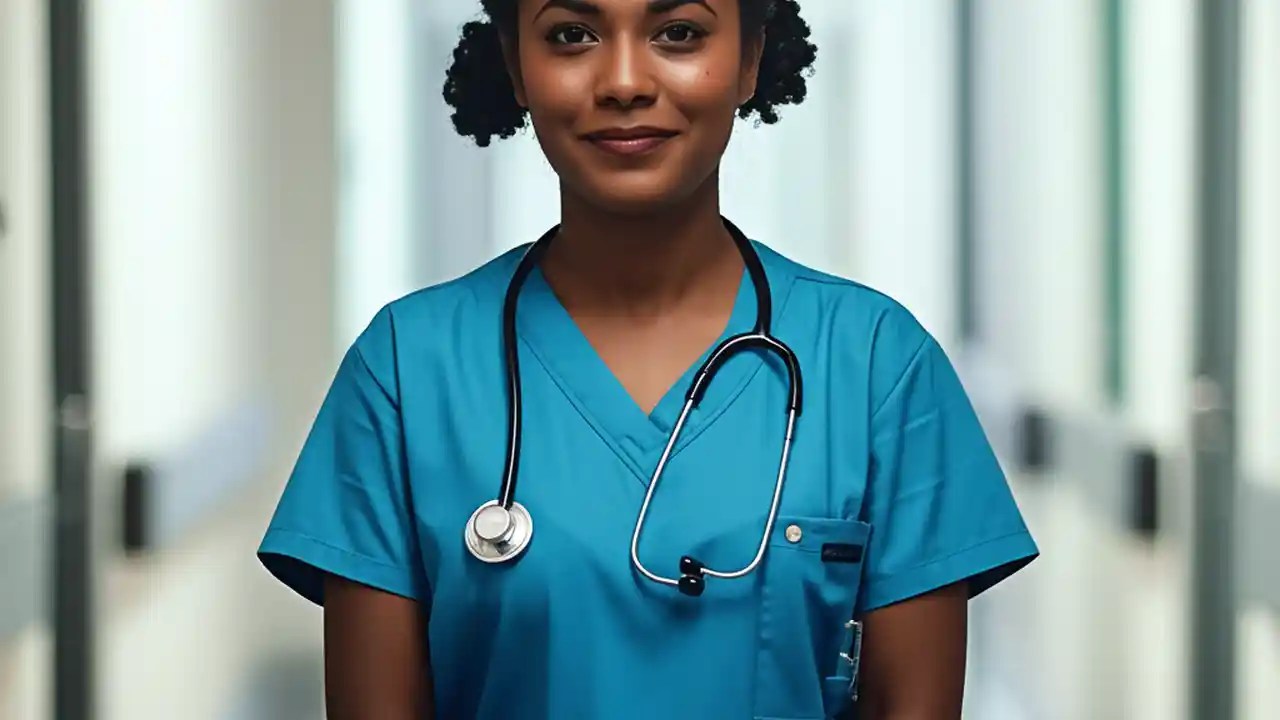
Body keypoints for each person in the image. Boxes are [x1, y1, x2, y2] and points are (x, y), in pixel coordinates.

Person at [256, 0, 1039, 717]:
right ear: (516, 63)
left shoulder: (876, 364)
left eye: (679, 33)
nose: (625, 81)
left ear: (750, 57)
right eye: (572, 35)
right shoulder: (405, 370)